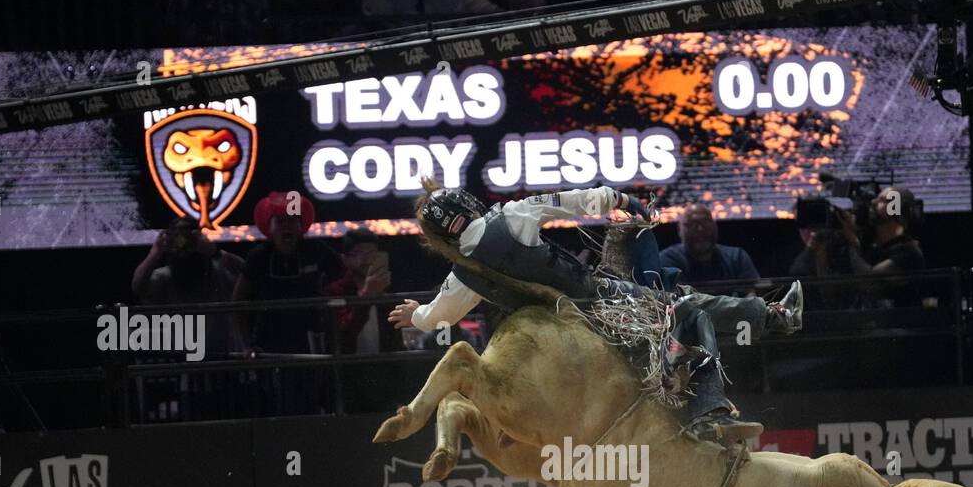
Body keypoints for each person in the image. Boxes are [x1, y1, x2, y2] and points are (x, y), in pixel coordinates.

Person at [387, 182, 803, 444]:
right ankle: (711, 405)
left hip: (544, 332)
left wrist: (416, 315)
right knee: (687, 309)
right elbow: (580, 201)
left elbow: (439, 315)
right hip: (597, 304)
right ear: (469, 202)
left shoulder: (462, 275)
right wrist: (624, 199)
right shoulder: (513, 215)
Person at [233, 191, 344, 353]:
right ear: (270, 227)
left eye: (292, 221)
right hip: (268, 338)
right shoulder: (258, 256)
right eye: (280, 221)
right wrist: (246, 344)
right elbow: (238, 300)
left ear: (300, 226)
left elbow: (342, 275)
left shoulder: (317, 250)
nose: (286, 226)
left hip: (310, 337)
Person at [132, 216, 244, 354]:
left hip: (218, 356)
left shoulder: (217, 271)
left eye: (189, 237)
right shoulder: (164, 277)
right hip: (181, 358)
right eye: (178, 238)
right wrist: (154, 254)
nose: (184, 245)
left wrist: (215, 252)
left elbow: (248, 275)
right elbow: (138, 287)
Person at [832, 187, 925, 306]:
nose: (873, 202)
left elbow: (870, 281)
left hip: (895, 323)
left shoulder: (909, 253)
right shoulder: (875, 248)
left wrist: (851, 240)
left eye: (883, 200)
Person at [659, 203, 761, 290]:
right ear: (679, 230)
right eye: (691, 224)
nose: (700, 229)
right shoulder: (667, 261)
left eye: (705, 222)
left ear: (715, 226)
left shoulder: (737, 258)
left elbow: (754, 292)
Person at [326, 228, 395, 353]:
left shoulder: (384, 288)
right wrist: (366, 296)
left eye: (372, 253)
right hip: (350, 368)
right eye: (358, 253)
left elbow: (394, 338)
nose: (367, 259)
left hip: (385, 367)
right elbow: (343, 334)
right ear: (345, 259)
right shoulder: (335, 291)